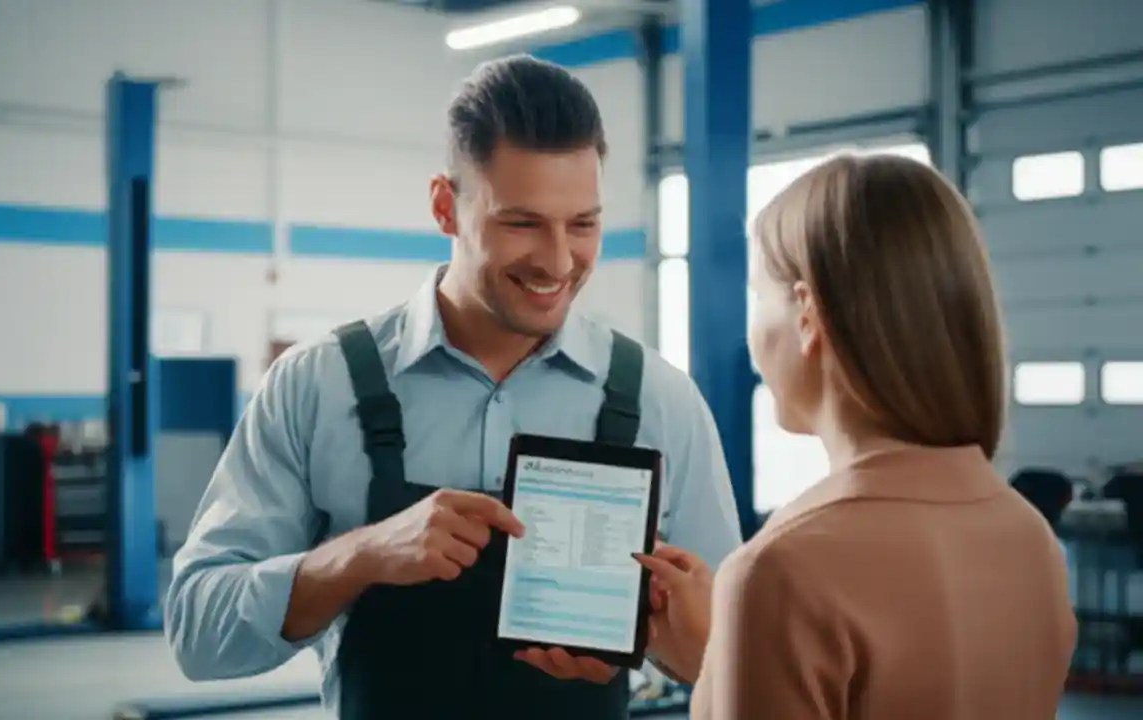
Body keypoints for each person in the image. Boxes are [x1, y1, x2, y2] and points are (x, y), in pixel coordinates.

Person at [164, 54, 743, 719]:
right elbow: (197, 632)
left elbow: (738, 658)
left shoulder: (661, 403)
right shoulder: (316, 385)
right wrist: (361, 555)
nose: (558, 261)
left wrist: (663, 643)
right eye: (521, 223)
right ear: (445, 206)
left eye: (583, 224)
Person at [636, 154, 1078, 719]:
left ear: (805, 314)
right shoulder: (1030, 538)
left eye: (758, 296)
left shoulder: (781, 569)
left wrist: (726, 660)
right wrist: (724, 663)